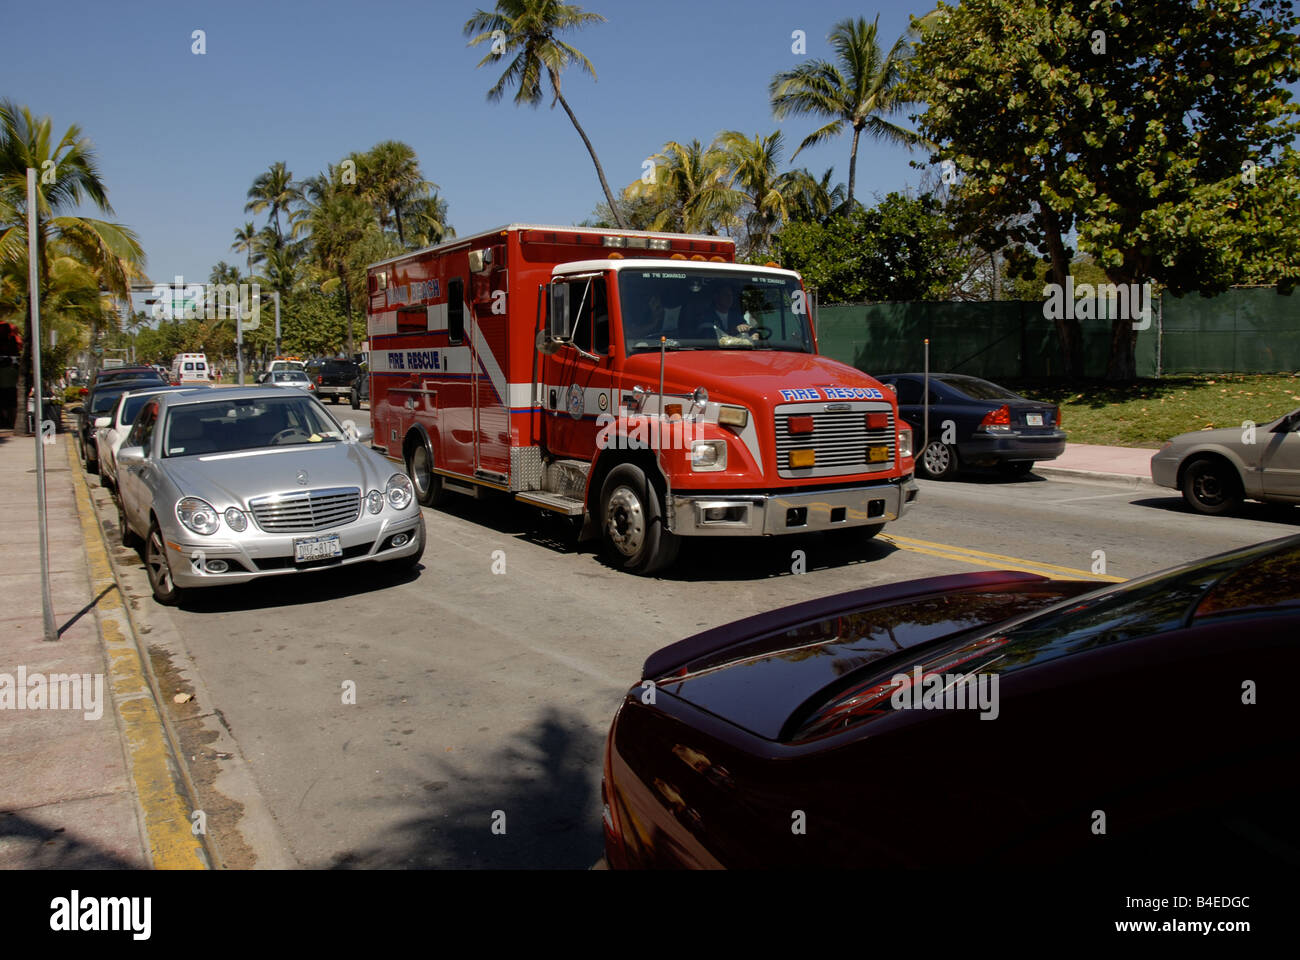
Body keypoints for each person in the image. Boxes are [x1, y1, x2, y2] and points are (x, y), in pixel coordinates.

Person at [0, 356, 17, 429]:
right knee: (13, 406)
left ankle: (6, 419)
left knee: (4, 406)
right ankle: (13, 421)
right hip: (12, 389)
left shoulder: (0, 371)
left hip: (2, 390)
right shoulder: (13, 370)